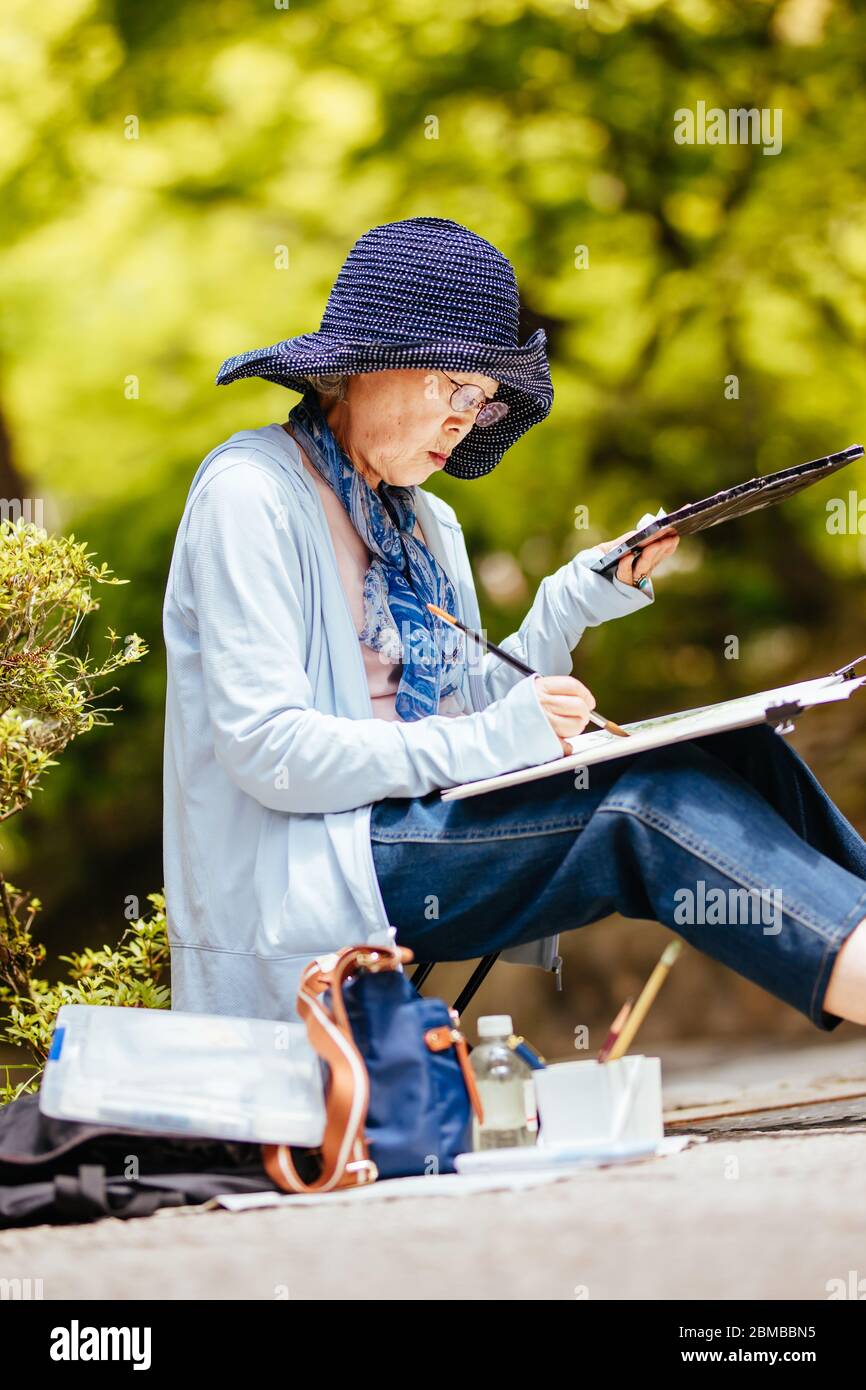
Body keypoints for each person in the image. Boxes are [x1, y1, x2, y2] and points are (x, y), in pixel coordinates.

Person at [161, 215, 866, 1031]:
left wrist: (573, 598)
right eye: (456, 388)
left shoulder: (427, 525)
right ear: (365, 368)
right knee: (644, 807)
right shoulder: (249, 494)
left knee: (736, 749)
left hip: (417, 823)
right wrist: (504, 736)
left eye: (485, 402)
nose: (466, 419)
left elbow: (467, 715)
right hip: (318, 869)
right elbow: (268, 750)